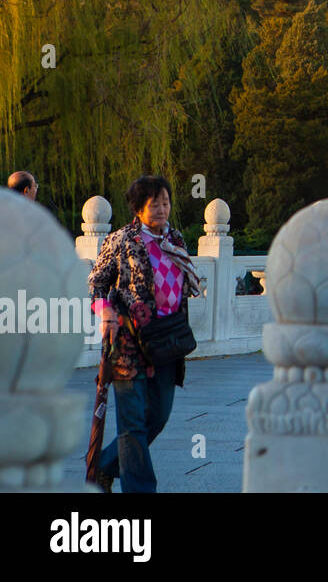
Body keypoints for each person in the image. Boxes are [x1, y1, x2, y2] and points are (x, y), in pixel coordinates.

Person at [88, 175, 202, 492]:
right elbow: (96, 283)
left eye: (166, 202)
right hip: (128, 342)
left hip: (167, 341)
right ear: (139, 208)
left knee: (158, 416)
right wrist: (105, 311)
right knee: (132, 423)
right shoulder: (122, 240)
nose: (163, 209)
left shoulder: (176, 239)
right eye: (155, 204)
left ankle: (106, 466)